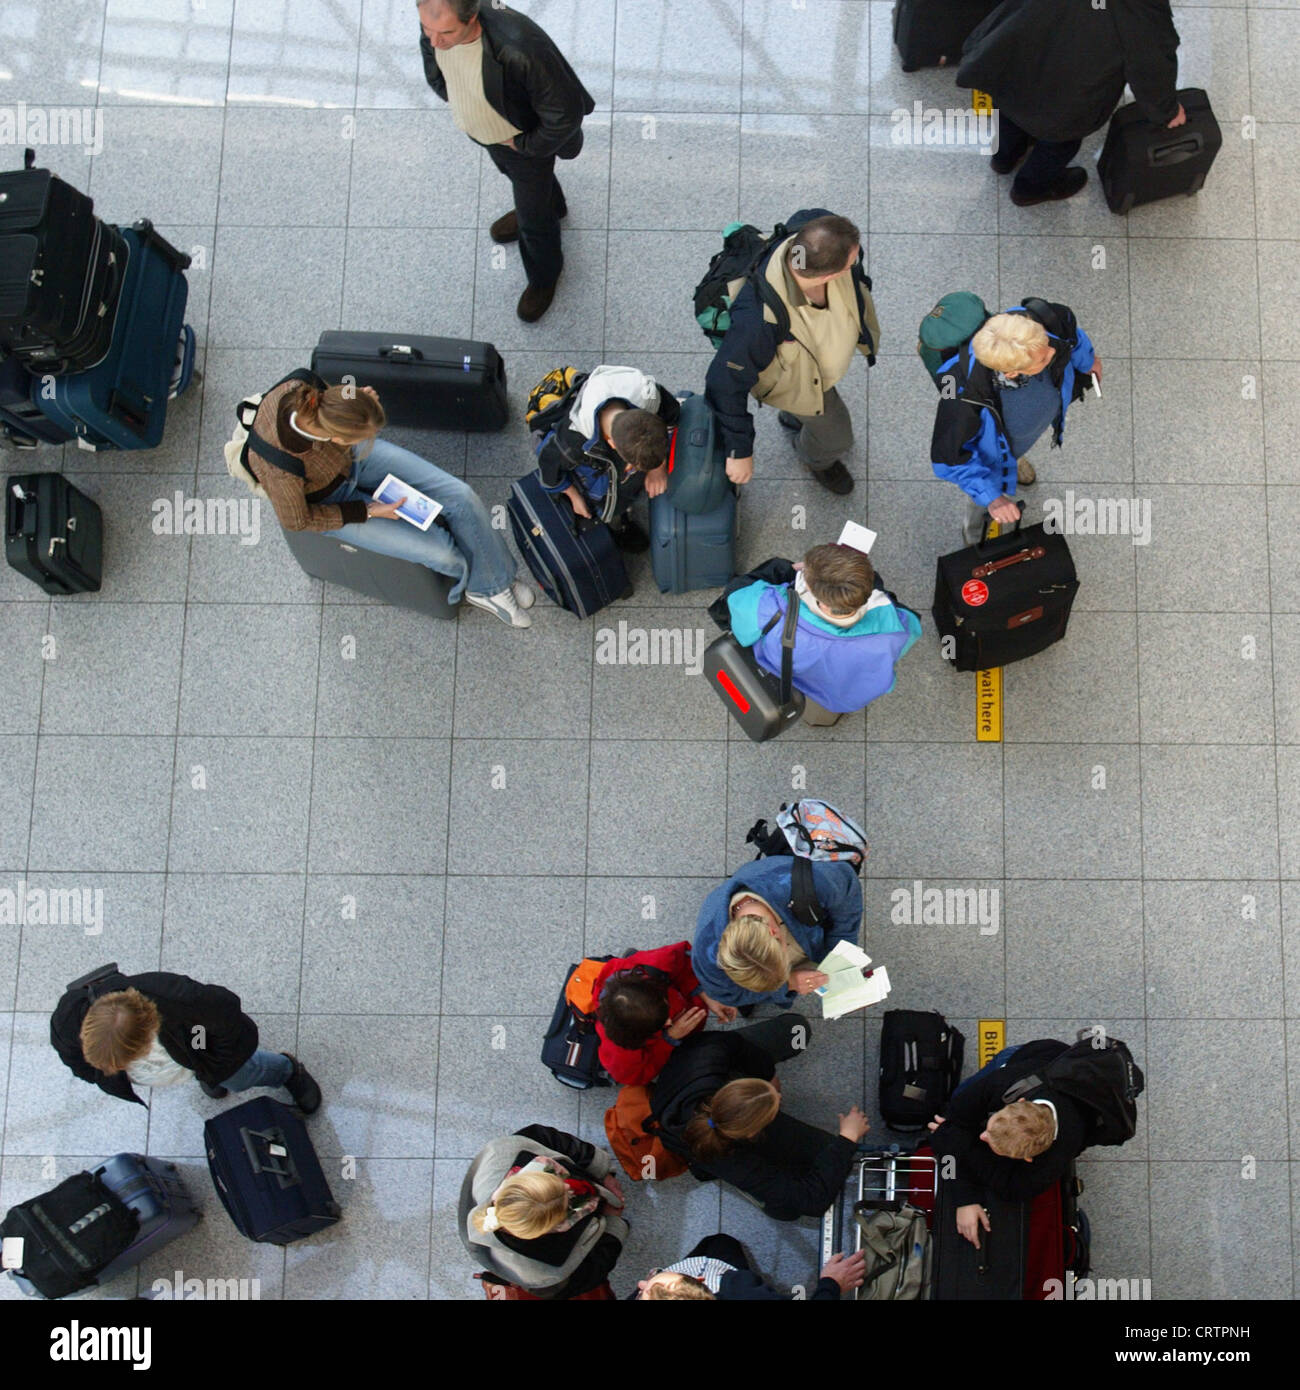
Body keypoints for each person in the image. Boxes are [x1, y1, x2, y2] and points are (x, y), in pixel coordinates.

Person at [248, 375, 534, 628]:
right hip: (330, 501)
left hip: (350, 459)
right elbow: (297, 520)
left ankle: (490, 585)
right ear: (336, 438)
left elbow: (338, 398)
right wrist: (368, 511)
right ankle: (482, 581)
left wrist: (358, 400)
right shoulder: (281, 468)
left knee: (461, 496)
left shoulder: (303, 387)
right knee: (442, 553)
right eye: (364, 435)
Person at [418, 0, 594, 322]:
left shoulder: (520, 48)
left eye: (444, 33)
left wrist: (525, 145)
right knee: (519, 181)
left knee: (533, 220)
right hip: (491, 134)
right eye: (427, 30)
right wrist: (459, 99)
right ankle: (553, 204)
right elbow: (435, 59)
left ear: (472, 17)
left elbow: (565, 114)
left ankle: (544, 277)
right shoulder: (437, 19)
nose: (434, 41)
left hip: (522, 145)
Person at [704, 210, 880, 496]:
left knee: (808, 416)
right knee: (837, 438)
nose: (857, 258)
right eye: (852, 260)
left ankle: (793, 419)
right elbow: (723, 382)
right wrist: (739, 450)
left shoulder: (809, 231)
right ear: (832, 274)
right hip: (800, 382)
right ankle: (818, 460)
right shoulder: (757, 320)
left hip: (805, 365)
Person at [957, 0, 1183, 206]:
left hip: (1012, 60)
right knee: (1058, 141)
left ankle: (1003, 158)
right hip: (1069, 96)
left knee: (1009, 110)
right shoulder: (1140, 10)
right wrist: (1167, 111)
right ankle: (1029, 188)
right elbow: (1150, 67)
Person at [649, 1021, 869, 1221]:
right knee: (789, 1208)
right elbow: (811, 1201)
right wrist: (847, 1139)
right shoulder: (729, 1160)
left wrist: (766, 1073)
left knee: (795, 1027)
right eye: (774, 1108)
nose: (779, 1095)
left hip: (680, 1085)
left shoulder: (708, 1056)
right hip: (711, 1152)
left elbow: (729, 1042)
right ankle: (763, 1198)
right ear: (752, 1134)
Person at [929, 300, 1099, 545]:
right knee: (983, 501)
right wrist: (993, 498)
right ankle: (975, 537)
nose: (1054, 352)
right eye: (1041, 361)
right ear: (1010, 373)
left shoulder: (1037, 322)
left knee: (1013, 445)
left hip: (1016, 436)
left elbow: (1071, 337)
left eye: (1046, 343)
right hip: (990, 454)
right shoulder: (958, 393)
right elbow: (949, 458)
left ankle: (1014, 459)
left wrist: (1088, 360)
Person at [49, 967, 321, 1112]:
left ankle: (287, 1071)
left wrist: (213, 1066)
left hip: (197, 1045)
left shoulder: (183, 1002)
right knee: (202, 1067)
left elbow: (228, 1023)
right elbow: (74, 1060)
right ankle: (203, 1075)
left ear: (147, 1033)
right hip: (185, 1055)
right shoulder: (69, 1020)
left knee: (241, 1075)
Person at [725, 543, 921, 727]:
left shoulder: (768, 606)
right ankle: (820, 721)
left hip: (779, 672)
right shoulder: (895, 627)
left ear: (819, 597)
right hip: (838, 694)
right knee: (822, 709)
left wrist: (787, 572)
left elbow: (740, 622)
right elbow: (908, 632)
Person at [926, 1040, 1092, 1250]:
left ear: (1028, 1159)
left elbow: (951, 1143)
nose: (983, 1135)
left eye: (993, 1142)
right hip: (1036, 1057)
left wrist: (949, 1139)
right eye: (990, 1125)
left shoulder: (1050, 1165)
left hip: (1076, 1096)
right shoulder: (1003, 1084)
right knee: (959, 1097)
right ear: (1018, 1102)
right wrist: (963, 1196)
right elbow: (954, 1127)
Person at [460, 1124, 628, 1298]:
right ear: (550, 1228)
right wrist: (613, 1226)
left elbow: (546, 1138)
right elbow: (591, 1272)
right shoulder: (541, 1274)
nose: (569, 1187)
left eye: (557, 1179)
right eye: (567, 1201)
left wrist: (600, 1169)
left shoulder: (500, 1156)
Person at [535, 364, 680, 554]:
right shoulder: (572, 442)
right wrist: (574, 496)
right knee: (603, 492)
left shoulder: (648, 395)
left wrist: (658, 468)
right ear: (611, 444)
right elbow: (548, 465)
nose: (635, 471)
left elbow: (672, 415)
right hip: (572, 448)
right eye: (633, 466)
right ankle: (615, 522)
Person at [692, 854, 863, 1016]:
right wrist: (789, 983)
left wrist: (840, 954)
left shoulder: (817, 882)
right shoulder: (707, 956)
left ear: (774, 932)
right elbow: (729, 995)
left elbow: (848, 889)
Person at [591, 941, 708, 1087]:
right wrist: (669, 1039)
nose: (668, 1022)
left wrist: (701, 991)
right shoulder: (621, 1052)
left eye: (665, 1013)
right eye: (661, 1025)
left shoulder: (655, 965)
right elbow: (637, 1076)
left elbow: (685, 958)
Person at [634, 1234, 866, 1300]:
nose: (640, 1284)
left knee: (716, 1243)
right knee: (723, 1244)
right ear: (701, 1284)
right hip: (727, 1273)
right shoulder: (739, 1291)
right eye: (645, 1291)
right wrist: (831, 1284)